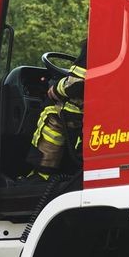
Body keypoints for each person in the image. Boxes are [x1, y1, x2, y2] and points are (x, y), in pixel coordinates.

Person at [27, 40, 87, 179]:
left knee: (51, 112)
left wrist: (55, 89)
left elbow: (75, 85)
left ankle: (42, 173)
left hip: (82, 115)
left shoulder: (96, 43)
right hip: (97, 108)